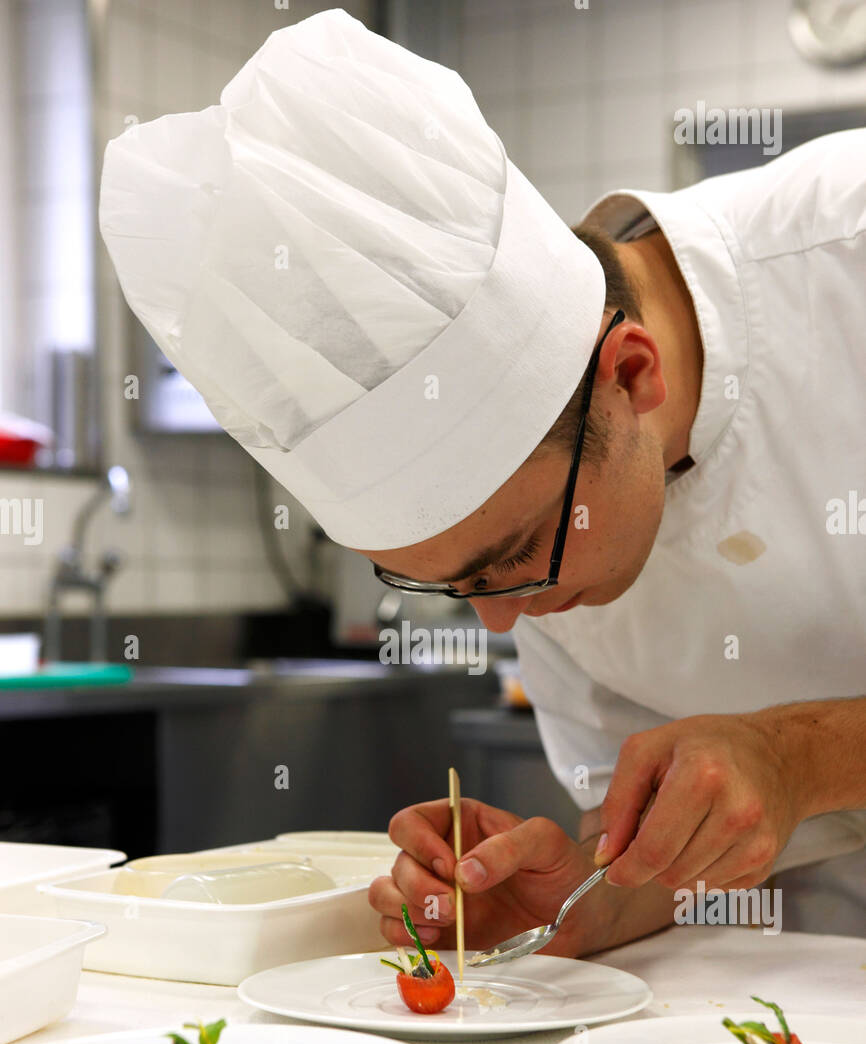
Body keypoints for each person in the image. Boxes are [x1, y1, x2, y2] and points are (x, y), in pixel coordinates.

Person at [99, 10, 866, 953]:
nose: (502, 623)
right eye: (456, 587)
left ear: (630, 375)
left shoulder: (847, 256)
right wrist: (563, 904)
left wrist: (798, 758)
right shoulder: (543, 559)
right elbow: (673, 864)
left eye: (510, 559)